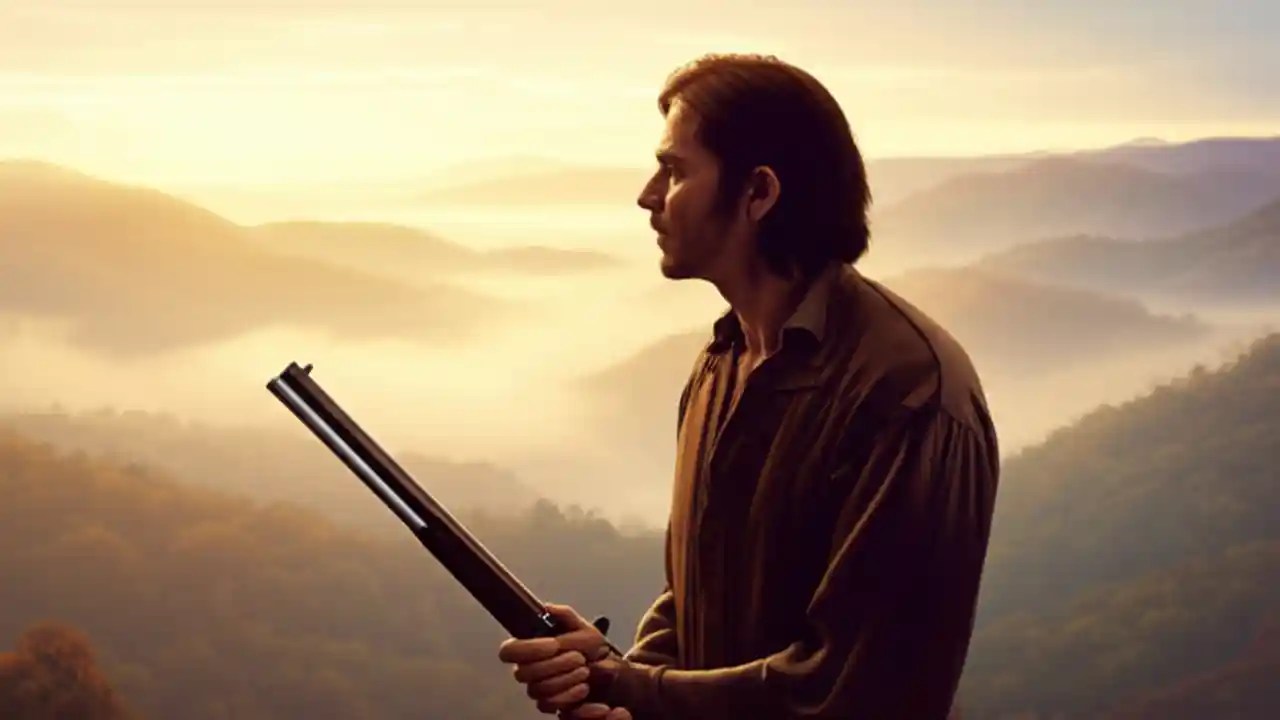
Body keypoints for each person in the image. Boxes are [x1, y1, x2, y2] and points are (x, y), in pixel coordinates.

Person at [497, 52, 1000, 720]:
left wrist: (626, 686)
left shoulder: (908, 393)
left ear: (758, 193)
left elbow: (852, 690)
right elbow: (693, 592)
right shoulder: (720, 362)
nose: (648, 195)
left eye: (674, 170)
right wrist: (618, 677)